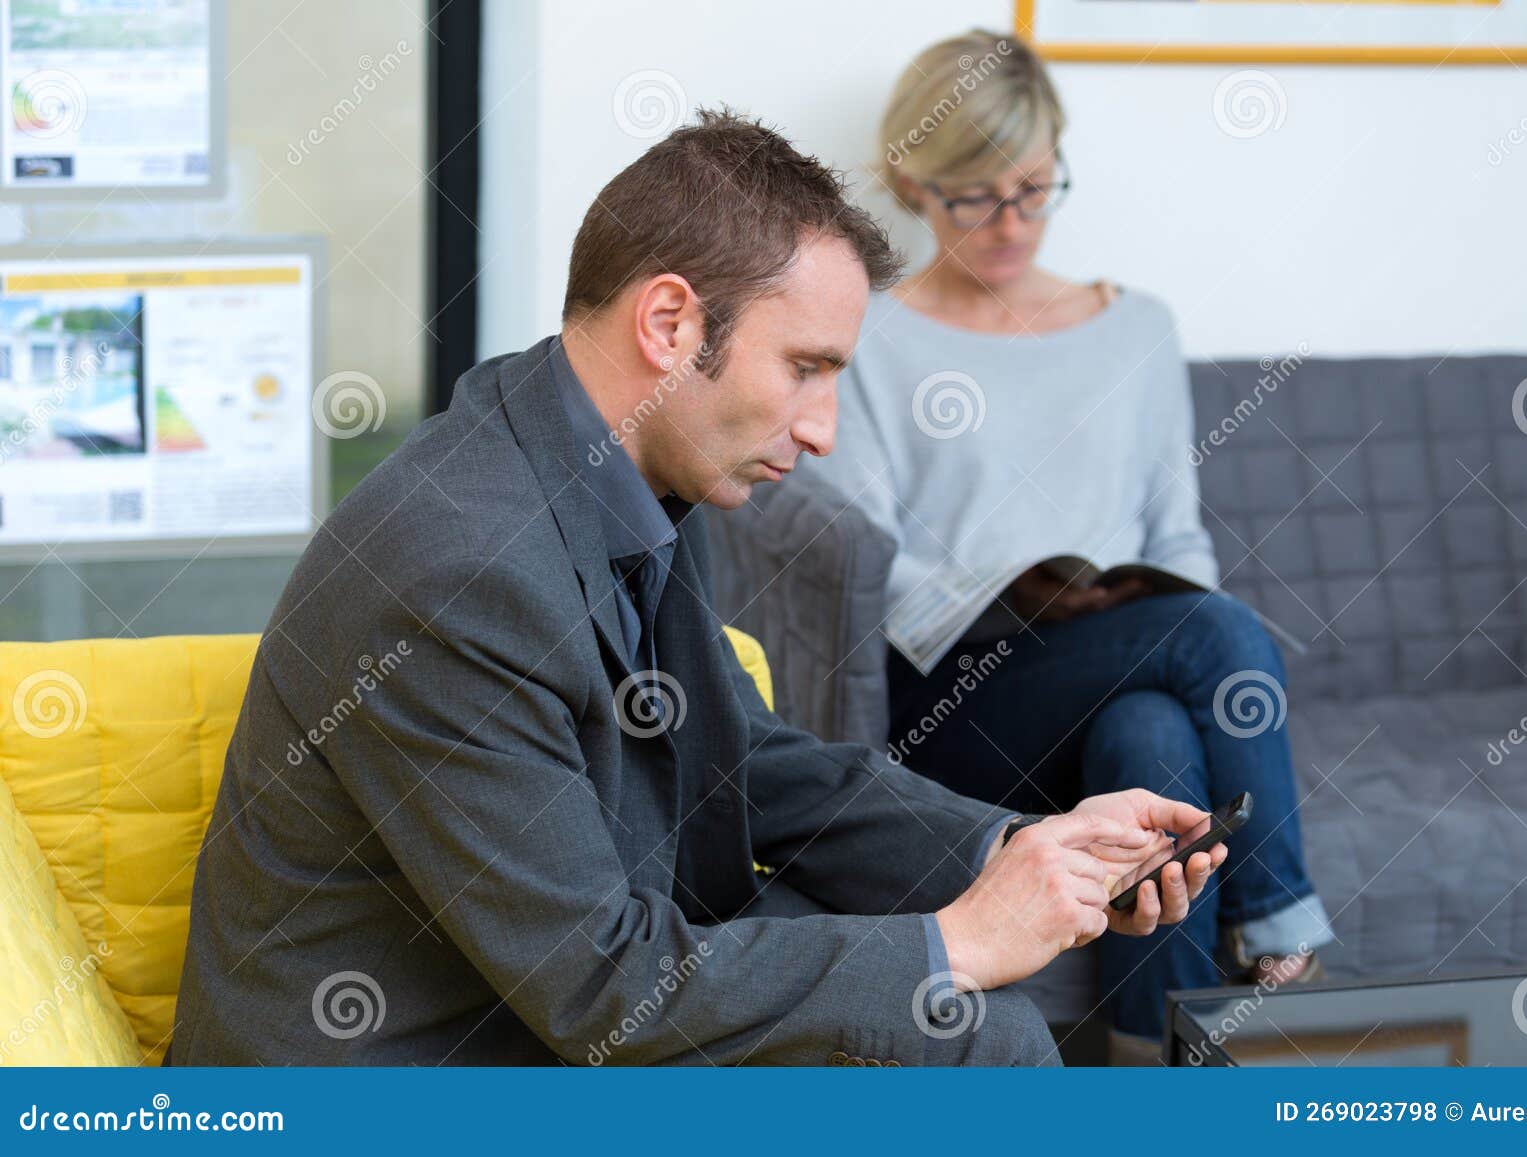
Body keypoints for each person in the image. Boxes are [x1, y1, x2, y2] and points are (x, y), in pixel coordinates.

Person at [166, 109, 1224, 1067]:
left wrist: (1019, 851)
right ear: (670, 324)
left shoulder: (615, 461)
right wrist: (960, 938)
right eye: (806, 367)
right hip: (416, 1066)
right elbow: (602, 989)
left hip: (544, 997)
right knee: (971, 1029)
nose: (822, 430)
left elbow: (739, 760)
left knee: (956, 1010)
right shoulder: (454, 569)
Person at [798, 32, 1334, 1063]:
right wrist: (1021, 597)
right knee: (1212, 635)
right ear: (912, 182)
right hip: (958, 697)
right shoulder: (869, 334)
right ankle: (1282, 935)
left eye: (1034, 191)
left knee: (1152, 735)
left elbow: (1177, 537)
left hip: (1124, 671)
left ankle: (1152, 1076)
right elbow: (868, 572)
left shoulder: (1135, 330)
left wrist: (1134, 618)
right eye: (974, 197)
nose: (1010, 223)